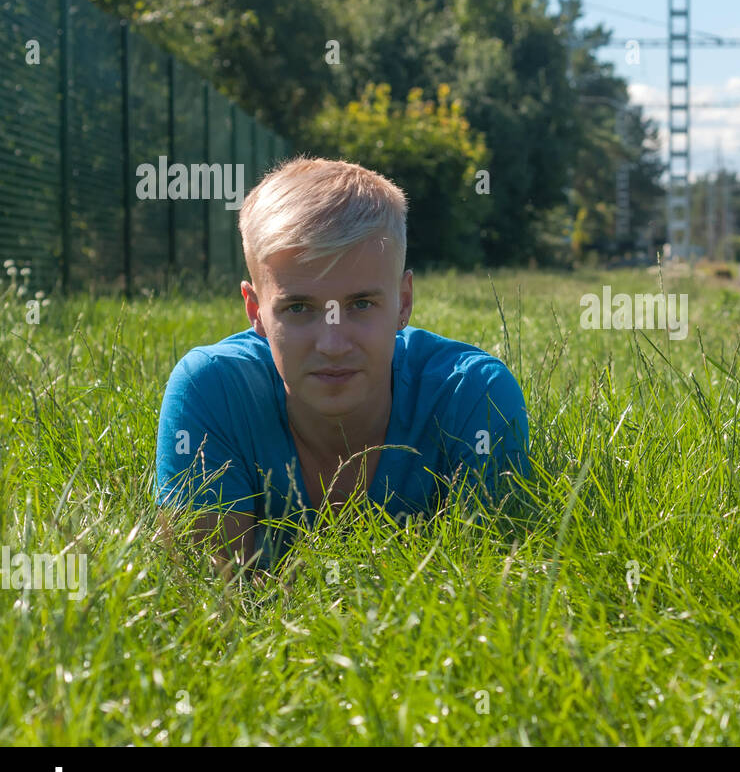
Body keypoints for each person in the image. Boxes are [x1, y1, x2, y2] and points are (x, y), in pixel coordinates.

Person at [154, 157, 530, 581]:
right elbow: (214, 599)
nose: (332, 344)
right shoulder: (211, 391)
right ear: (255, 310)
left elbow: (493, 592)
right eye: (299, 308)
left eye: (360, 305)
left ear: (403, 302)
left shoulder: (474, 395)